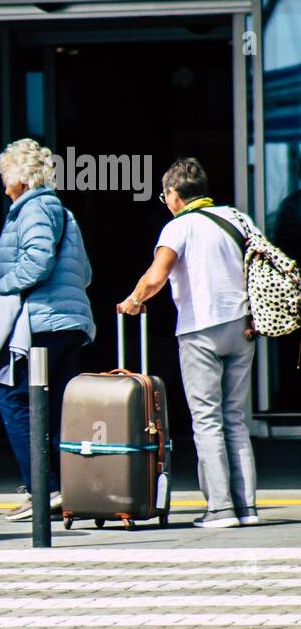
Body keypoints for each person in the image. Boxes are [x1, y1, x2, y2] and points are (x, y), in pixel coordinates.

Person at [118, 158, 259, 528]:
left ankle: (221, 508)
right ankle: (247, 508)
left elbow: (156, 275)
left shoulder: (178, 227)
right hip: (242, 327)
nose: (165, 201)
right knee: (235, 419)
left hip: (200, 330)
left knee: (207, 420)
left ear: (175, 194)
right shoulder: (237, 219)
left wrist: (134, 300)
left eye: (165, 194)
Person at [0, 138, 95, 522]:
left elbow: (37, 261)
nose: (4, 187)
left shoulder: (33, 209)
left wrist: (4, 287)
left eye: (6, 177)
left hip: (42, 323)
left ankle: (44, 488)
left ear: (21, 177)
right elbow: (84, 273)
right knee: (51, 408)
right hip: (69, 324)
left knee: (14, 400)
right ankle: (57, 486)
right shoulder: (62, 211)